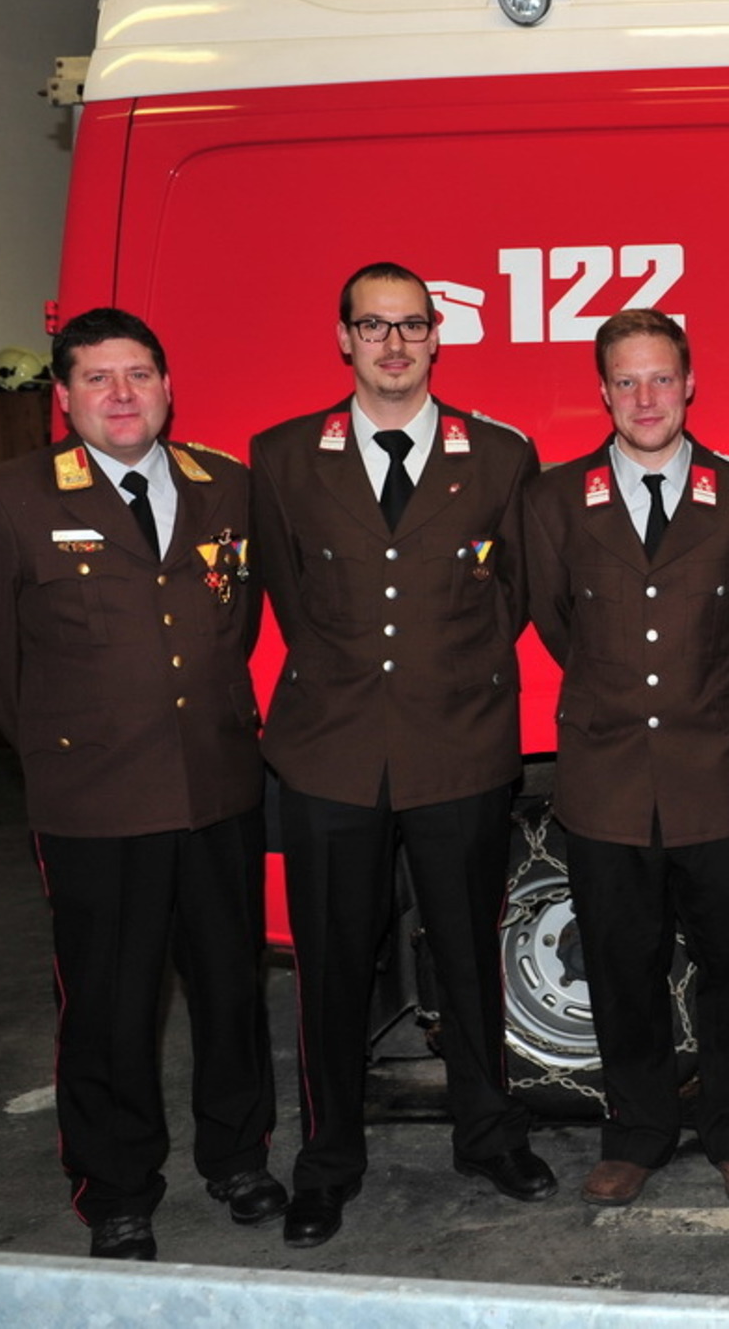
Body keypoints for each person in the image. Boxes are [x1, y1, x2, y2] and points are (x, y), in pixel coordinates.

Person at [250, 262, 552, 1248]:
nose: (393, 344)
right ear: (343, 338)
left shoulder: (500, 456)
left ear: (436, 337)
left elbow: (509, 600)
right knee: (331, 968)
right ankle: (327, 1160)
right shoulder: (285, 456)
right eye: (373, 326)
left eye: (411, 325)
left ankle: (488, 1133)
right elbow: (294, 602)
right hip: (332, 752)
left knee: (469, 956)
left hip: (457, 745)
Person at [0, 308, 280, 1260]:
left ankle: (237, 1155)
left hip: (217, 786)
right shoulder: (10, 497)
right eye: (98, 378)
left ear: (167, 387)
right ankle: (117, 1187)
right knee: (109, 1004)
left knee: (231, 990)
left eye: (138, 374)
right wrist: (69, 751)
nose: (121, 395)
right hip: (97, 803)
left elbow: (242, 614)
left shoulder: (222, 485)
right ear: (63, 397)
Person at [525, 310, 729, 1209]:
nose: (645, 397)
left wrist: (701, 700)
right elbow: (562, 624)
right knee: (621, 964)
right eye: (626, 381)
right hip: (606, 778)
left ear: (690, 384)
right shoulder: (556, 500)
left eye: (661, 378)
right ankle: (636, 1130)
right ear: (603, 392)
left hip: (723, 772)